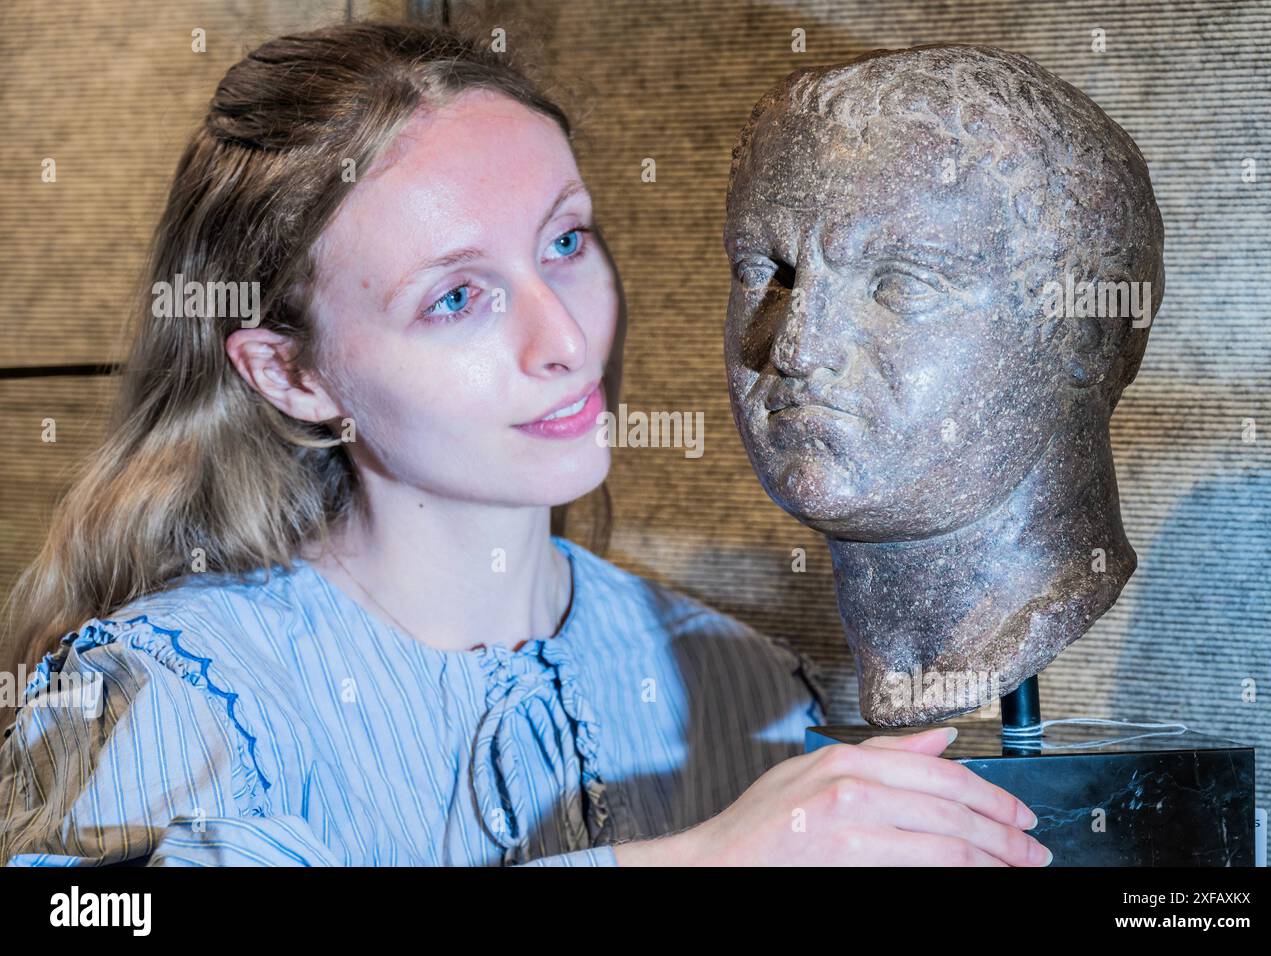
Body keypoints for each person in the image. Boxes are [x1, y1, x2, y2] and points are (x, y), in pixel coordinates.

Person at [0, 20, 1049, 868]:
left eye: (565, 240)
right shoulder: (169, 692)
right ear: (292, 373)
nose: (563, 337)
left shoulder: (743, 684)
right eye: (456, 295)